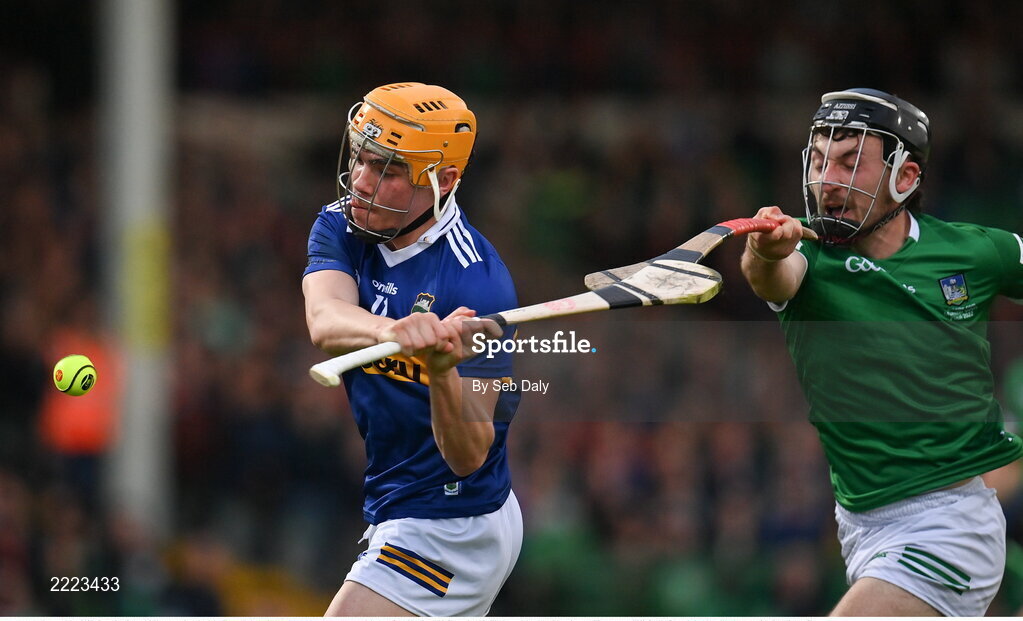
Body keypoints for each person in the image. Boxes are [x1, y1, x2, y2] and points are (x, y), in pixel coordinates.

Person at [740, 88, 1023, 616]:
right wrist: (763, 251)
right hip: (860, 525)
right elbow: (771, 279)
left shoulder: (975, 251)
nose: (827, 180)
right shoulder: (806, 257)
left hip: (951, 525)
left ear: (905, 178)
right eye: (819, 161)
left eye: (850, 163)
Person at [302, 82, 522, 616]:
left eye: (388, 170)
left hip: (454, 522)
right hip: (396, 503)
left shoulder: (478, 285)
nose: (362, 182)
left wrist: (442, 370)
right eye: (360, 158)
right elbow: (324, 319)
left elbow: (468, 457)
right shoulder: (341, 224)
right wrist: (393, 331)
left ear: (444, 180)